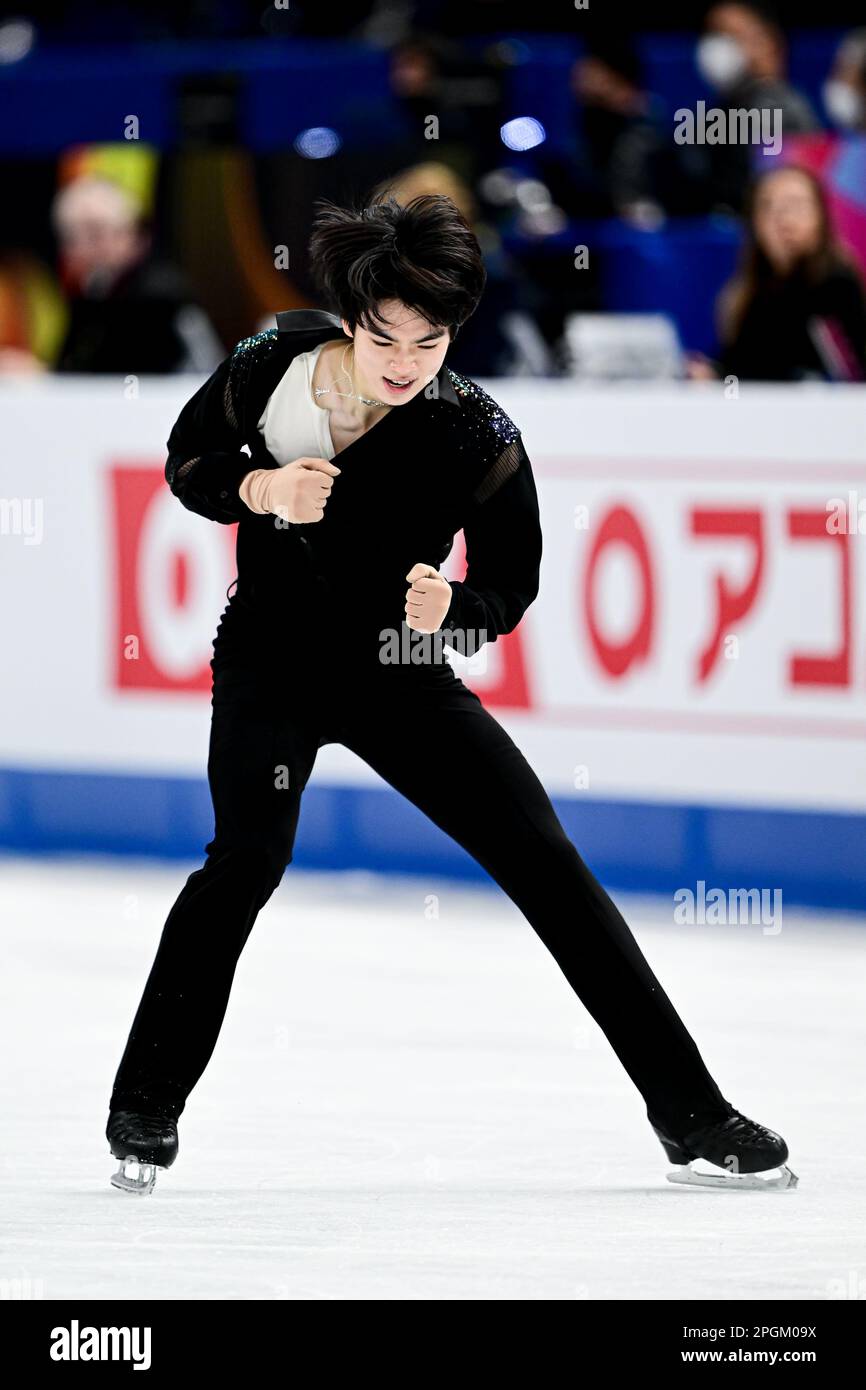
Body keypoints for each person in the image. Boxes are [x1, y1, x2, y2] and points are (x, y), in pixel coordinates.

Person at [105, 193, 795, 1194]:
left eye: (428, 343)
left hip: (397, 669)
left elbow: (511, 584)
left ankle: (689, 1112)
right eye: (386, 336)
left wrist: (452, 608)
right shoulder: (271, 362)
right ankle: (144, 1105)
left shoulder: (475, 432)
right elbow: (187, 463)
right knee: (245, 858)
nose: (403, 362)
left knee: (548, 862)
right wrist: (260, 489)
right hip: (272, 661)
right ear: (351, 317)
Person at [689, 164, 866, 380]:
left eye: (795, 205)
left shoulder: (836, 284)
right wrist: (712, 372)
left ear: (820, 216)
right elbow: (740, 361)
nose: (782, 218)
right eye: (768, 206)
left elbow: (787, 364)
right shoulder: (750, 291)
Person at [52, 175, 224, 375]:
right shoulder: (93, 294)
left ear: (131, 232)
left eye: (95, 233)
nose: (82, 248)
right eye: (71, 237)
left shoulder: (159, 297)